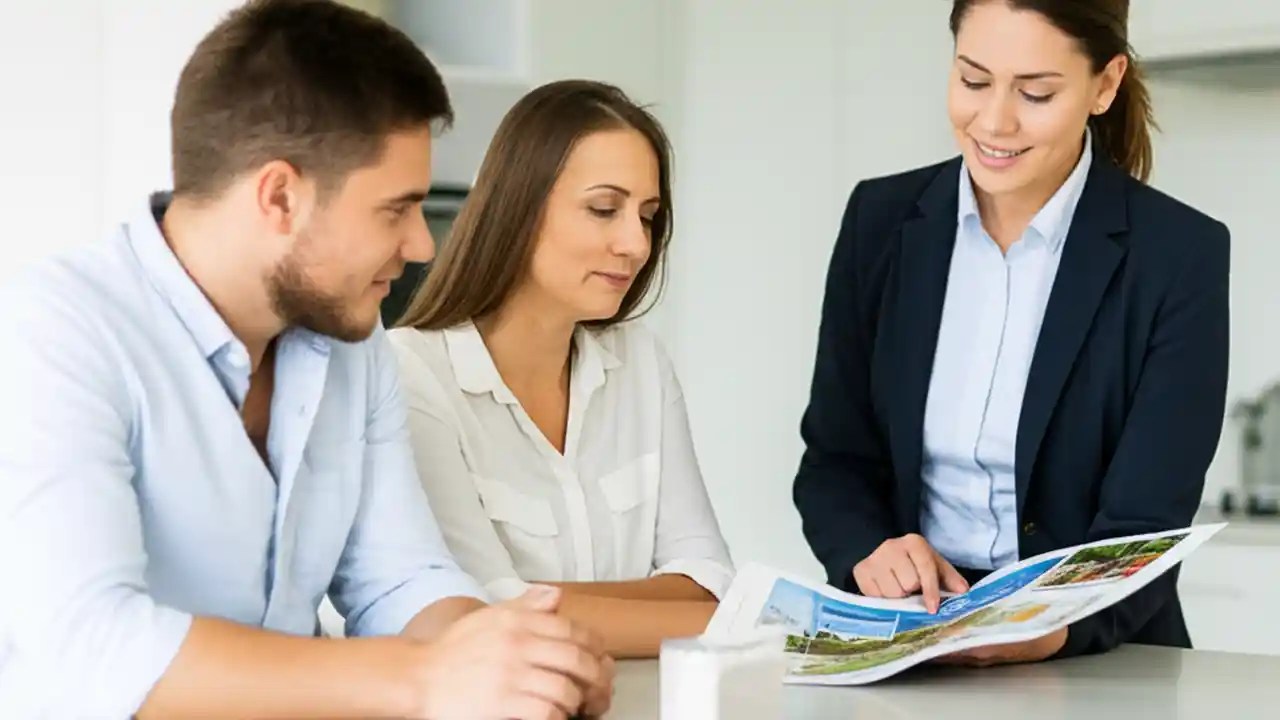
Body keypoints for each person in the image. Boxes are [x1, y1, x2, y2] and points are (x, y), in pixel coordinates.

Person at [0, 1, 612, 718]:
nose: (422, 245)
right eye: (395, 209)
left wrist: (518, 661)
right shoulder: (54, 330)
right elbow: (95, 645)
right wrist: (427, 680)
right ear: (280, 196)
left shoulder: (352, 342)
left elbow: (399, 578)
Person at [794, 0, 1229, 666]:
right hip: (909, 641)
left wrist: (1034, 633)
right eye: (972, 80)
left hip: (1093, 657)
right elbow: (834, 461)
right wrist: (869, 554)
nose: (994, 121)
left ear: (1104, 85)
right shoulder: (879, 224)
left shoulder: (1178, 255)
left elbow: (1147, 525)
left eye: (1035, 92)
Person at [388, 80, 734, 659]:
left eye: (647, 216)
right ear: (519, 208)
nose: (636, 243)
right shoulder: (414, 376)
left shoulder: (641, 363)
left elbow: (711, 580)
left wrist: (529, 602)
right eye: (604, 209)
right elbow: (472, 613)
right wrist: (705, 620)